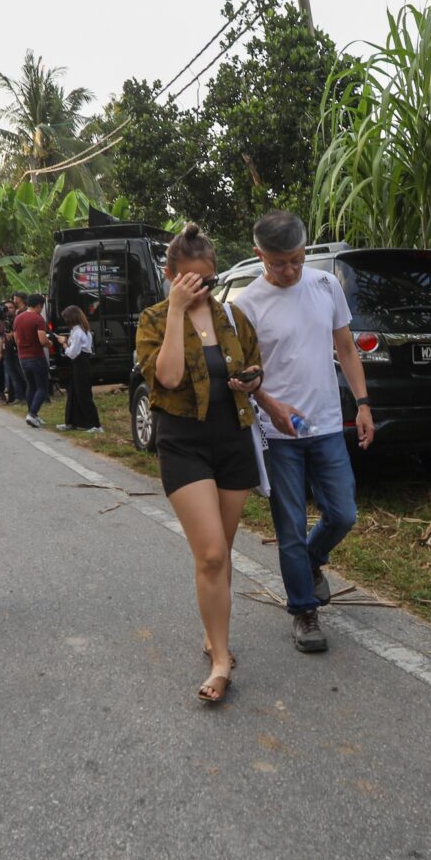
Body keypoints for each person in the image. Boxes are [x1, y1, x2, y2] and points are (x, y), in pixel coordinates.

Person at [134, 224, 265, 703]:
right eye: (188, 281)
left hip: (232, 440)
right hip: (183, 443)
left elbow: (254, 366)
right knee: (210, 553)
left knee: (221, 554)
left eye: (207, 281)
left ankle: (215, 634)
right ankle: (220, 661)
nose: (199, 289)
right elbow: (166, 378)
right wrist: (175, 310)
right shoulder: (153, 320)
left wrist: (250, 381)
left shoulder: (232, 318)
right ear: (170, 276)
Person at [232, 209, 374, 653]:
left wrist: (363, 403)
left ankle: (311, 561)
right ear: (259, 256)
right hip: (277, 434)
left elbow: (346, 348)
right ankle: (303, 610)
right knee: (290, 526)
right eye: (279, 263)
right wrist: (270, 409)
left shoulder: (325, 285)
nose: (291, 270)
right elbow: (242, 375)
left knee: (343, 512)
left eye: (297, 259)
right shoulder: (244, 305)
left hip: (326, 424)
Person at [58, 304, 103, 433]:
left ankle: (95, 425)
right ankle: (72, 421)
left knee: (83, 394)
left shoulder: (78, 332)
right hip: (78, 365)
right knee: (73, 393)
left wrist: (64, 343)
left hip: (81, 364)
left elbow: (73, 353)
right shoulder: (80, 331)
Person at [13, 291, 55, 427]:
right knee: (42, 388)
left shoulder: (18, 318)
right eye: (41, 306)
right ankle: (32, 414)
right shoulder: (38, 319)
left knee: (31, 386)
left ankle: (32, 415)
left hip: (22, 357)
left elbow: (16, 338)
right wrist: (51, 344)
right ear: (38, 305)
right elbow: (43, 340)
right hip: (36, 357)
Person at [0, 294, 26, 407]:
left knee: (22, 374)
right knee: (13, 376)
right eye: (6, 308)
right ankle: (18, 397)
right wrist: (0, 352)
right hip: (7, 351)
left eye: (10, 307)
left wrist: (13, 335)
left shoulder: (18, 318)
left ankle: (26, 396)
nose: (8, 310)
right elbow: (1, 337)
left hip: (17, 350)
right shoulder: (3, 321)